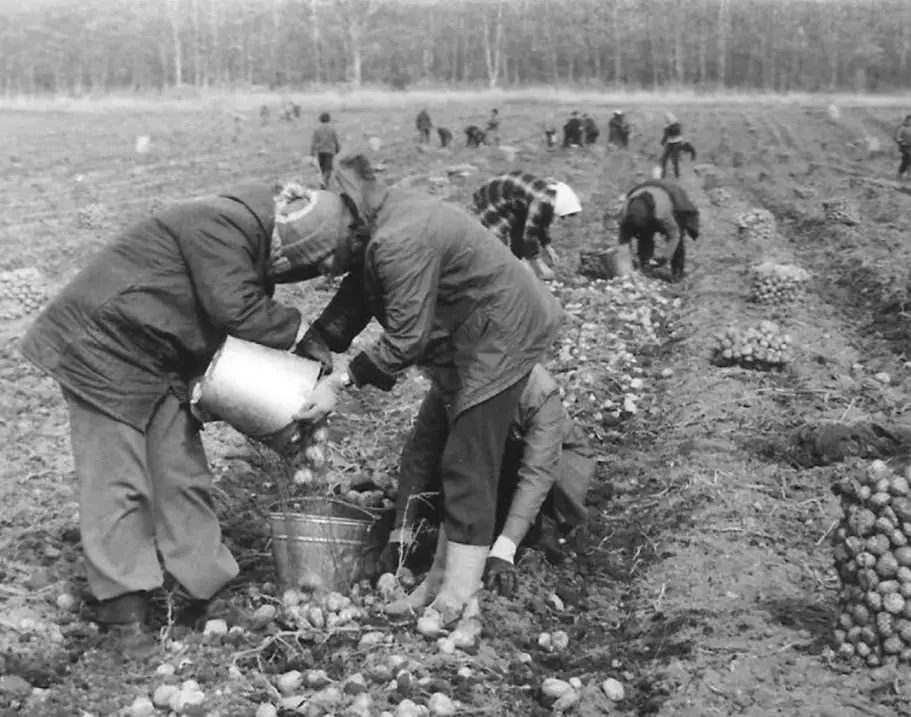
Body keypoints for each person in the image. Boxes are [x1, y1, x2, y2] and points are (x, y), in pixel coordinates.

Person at [18, 181, 349, 656]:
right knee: (118, 482)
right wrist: (303, 339)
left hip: (159, 355)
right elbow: (237, 311)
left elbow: (221, 317)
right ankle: (123, 610)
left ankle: (203, 590)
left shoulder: (250, 239)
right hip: (102, 348)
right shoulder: (217, 222)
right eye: (311, 264)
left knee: (182, 474)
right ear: (298, 245)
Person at [290, 154, 564, 625]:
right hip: (474, 331)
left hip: (500, 335)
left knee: (468, 463)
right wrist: (320, 339)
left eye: (327, 260)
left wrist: (340, 381)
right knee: (456, 459)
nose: (329, 271)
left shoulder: (396, 240)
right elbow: (361, 290)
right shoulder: (378, 221)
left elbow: (405, 339)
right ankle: (438, 583)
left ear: (345, 235)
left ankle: (457, 596)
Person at [379, 363, 595, 611]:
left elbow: (537, 474)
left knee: (541, 525)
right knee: (445, 479)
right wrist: (401, 530)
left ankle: (538, 529)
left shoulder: (539, 392)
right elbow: (420, 450)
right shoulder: (453, 379)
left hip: (548, 458)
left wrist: (505, 548)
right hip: (487, 457)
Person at [470, 170, 582, 281]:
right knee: (497, 241)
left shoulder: (550, 197)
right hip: (493, 197)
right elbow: (530, 235)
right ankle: (490, 272)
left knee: (519, 228)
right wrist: (536, 262)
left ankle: (516, 263)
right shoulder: (541, 202)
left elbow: (540, 224)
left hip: (514, 200)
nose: (563, 219)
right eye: (563, 216)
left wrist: (547, 245)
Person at [618, 178, 701, 282]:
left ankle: (677, 274)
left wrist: (665, 257)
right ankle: (645, 266)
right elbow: (623, 240)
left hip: (670, 199)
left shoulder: (662, 212)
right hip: (645, 202)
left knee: (678, 243)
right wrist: (623, 259)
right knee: (644, 235)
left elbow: (674, 235)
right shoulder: (625, 213)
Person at [311, 112, 341, 188]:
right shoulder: (332, 129)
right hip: (329, 151)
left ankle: (323, 183)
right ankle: (325, 182)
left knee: (322, 168)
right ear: (329, 119)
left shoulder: (317, 130)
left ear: (320, 119)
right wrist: (338, 150)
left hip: (320, 151)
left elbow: (313, 142)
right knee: (328, 168)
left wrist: (311, 153)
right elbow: (336, 141)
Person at [661, 112, 695, 178]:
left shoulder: (672, 126)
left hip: (675, 143)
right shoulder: (674, 125)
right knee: (666, 159)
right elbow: (668, 135)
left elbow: (667, 135)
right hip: (672, 143)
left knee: (673, 160)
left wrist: (662, 142)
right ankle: (664, 175)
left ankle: (676, 176)